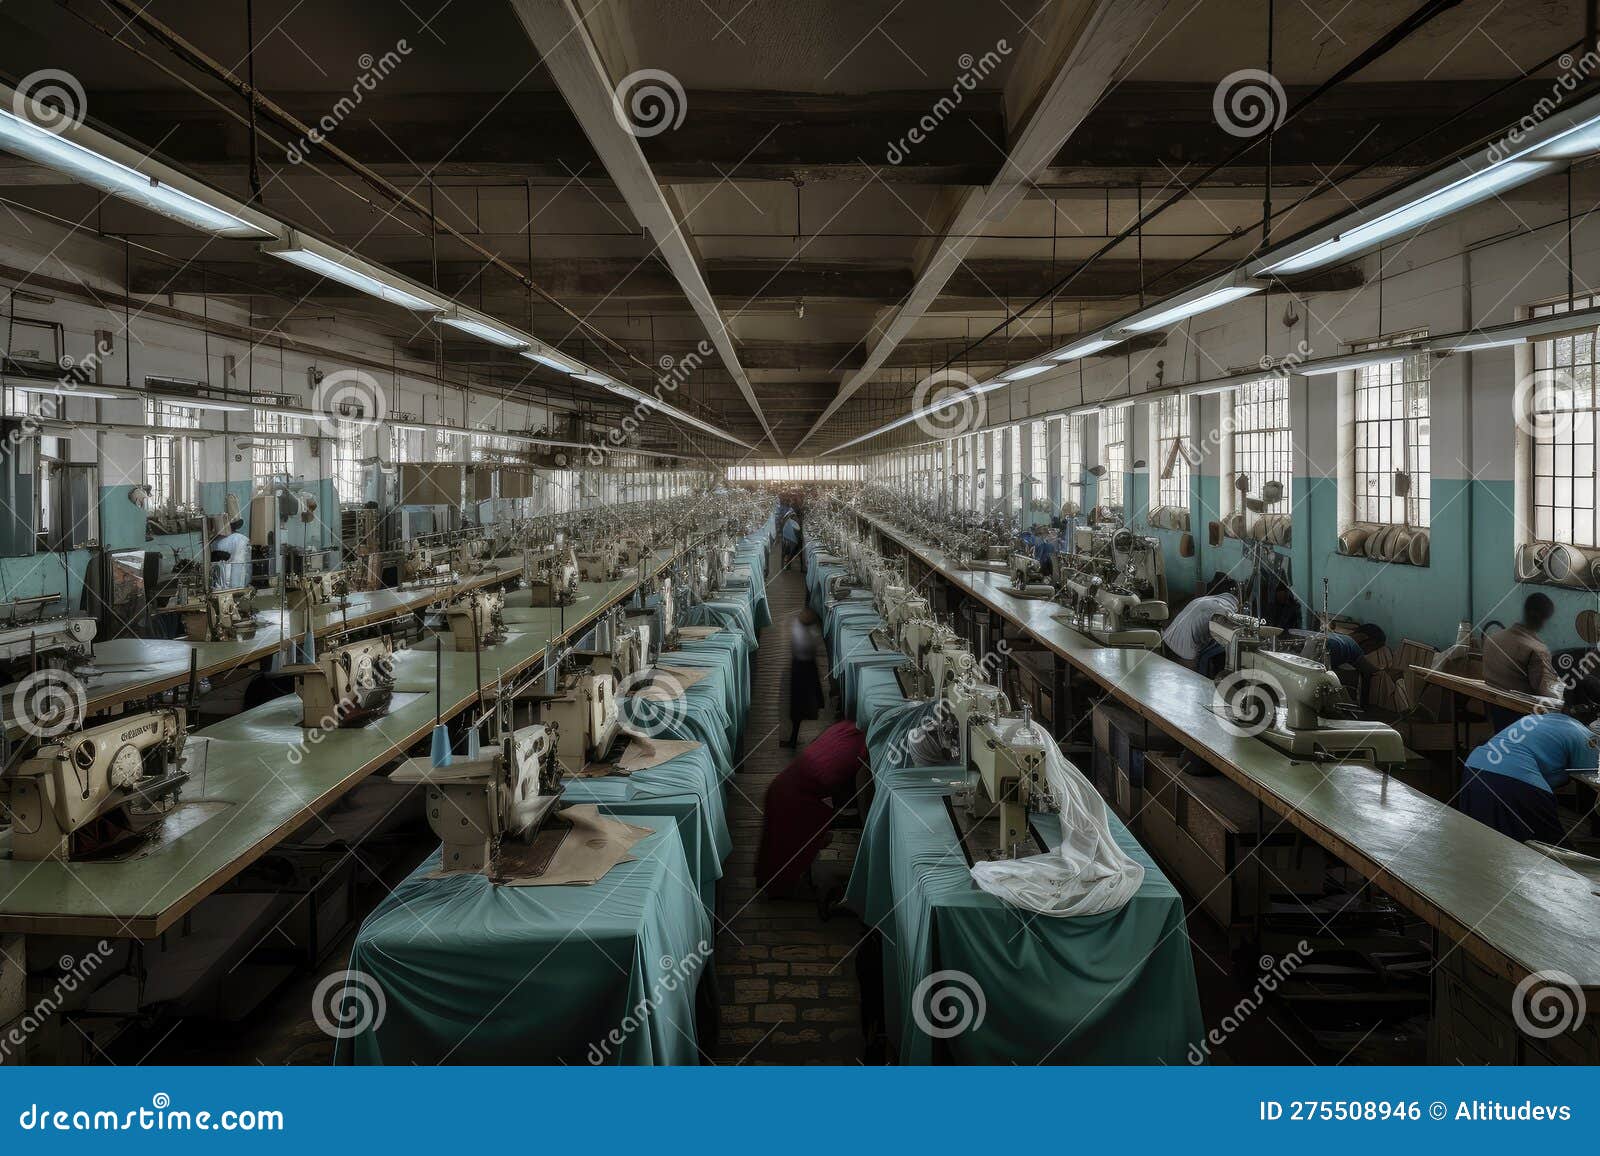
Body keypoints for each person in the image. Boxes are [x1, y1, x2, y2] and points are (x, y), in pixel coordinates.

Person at [1457, 697, 1598, 844]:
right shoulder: (1583, 734)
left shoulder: (1534, 719)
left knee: (1485, 842)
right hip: (1515, 779)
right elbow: (1593, 778)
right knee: (1551, 849)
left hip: (1475, 768)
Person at [756, 720, 867, 898]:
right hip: (801, 797)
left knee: (780, 845)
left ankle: (780, 882)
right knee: (798, 846)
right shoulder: (864, 752)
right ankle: (787, 886)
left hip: (782, 785)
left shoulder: (847, 729)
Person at [1483, 593, 1560, 729]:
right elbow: (1546, 693)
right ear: (1543, 619)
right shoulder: (1537, 649)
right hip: (1523, 722)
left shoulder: (1492, 640)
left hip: (1497, 716)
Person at [1162, 578, 1239, 676]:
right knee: (1191, 680)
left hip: (1169, 638)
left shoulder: (1210, 600)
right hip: (1183, 649)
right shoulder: (1224, 610)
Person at [1319, 623, 1386, 709]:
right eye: (1372, 647)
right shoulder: (1352, 645)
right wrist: (1383, 670)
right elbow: (1368, 670)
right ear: (1363, 637)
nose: (1368, 652)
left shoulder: (1336, 637)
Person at [783, 607, 824, 748]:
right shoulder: (806, 629)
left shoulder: (808, 631)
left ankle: (794, 739)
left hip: (803, 669)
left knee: (799, 706)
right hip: (802, 667)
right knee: (801, 706)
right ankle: (794, 737)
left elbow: (803, 648)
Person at [209, 516, 251, 591]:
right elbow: (239, 565)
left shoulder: (216, 541)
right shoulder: (240, 539)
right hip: (233, 583)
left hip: (223, 584)